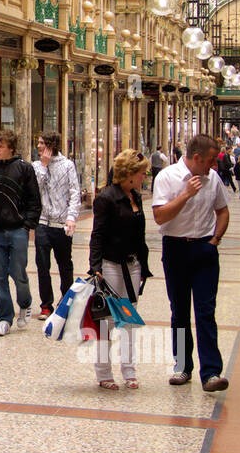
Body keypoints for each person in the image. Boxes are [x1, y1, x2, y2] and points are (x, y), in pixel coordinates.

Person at [152, 133, 231, 391]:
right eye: (210, 160)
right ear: (196, 158)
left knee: (206, 312)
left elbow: (222, 210)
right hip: (175, 249)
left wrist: (216, 238)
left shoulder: (213, 180)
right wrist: (185, 195)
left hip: (205, 249)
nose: (213, 165)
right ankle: (183, 366)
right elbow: (160, 216)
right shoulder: (167, 177)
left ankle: (211, 372)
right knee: (180, 311)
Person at [87, 149, 153, 389]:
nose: (145, 176)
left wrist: (144, 266)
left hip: (133, 265)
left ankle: (129, 369)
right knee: (108, 320)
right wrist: (95, 266)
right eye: (143, 172)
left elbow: (140, 235)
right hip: (111, 265)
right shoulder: (107, 198)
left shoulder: (136, 196)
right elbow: (98, 234)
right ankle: (103, 371)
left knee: (129, 318)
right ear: (130, 174)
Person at [0, 129, 40, 336]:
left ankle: (25, 302)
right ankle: (4, 318)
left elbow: (34, 200)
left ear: (11, 149)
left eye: (1, 146)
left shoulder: (24, 169)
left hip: (17, 230)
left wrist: (27, 225)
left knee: (18, 272)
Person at [33, 131, 80, 319]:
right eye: (38, 142)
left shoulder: (68, 165)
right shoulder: (36, 166)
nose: (38, 146)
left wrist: (71, 217)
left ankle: (67, 302)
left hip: (62, 224)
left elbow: (75, 193)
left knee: (65, 265)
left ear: (52, 146)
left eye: (42, 143)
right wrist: (44, 166)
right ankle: (46, 304)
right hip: (43, 223)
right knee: (42, 266)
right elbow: (35, 190)